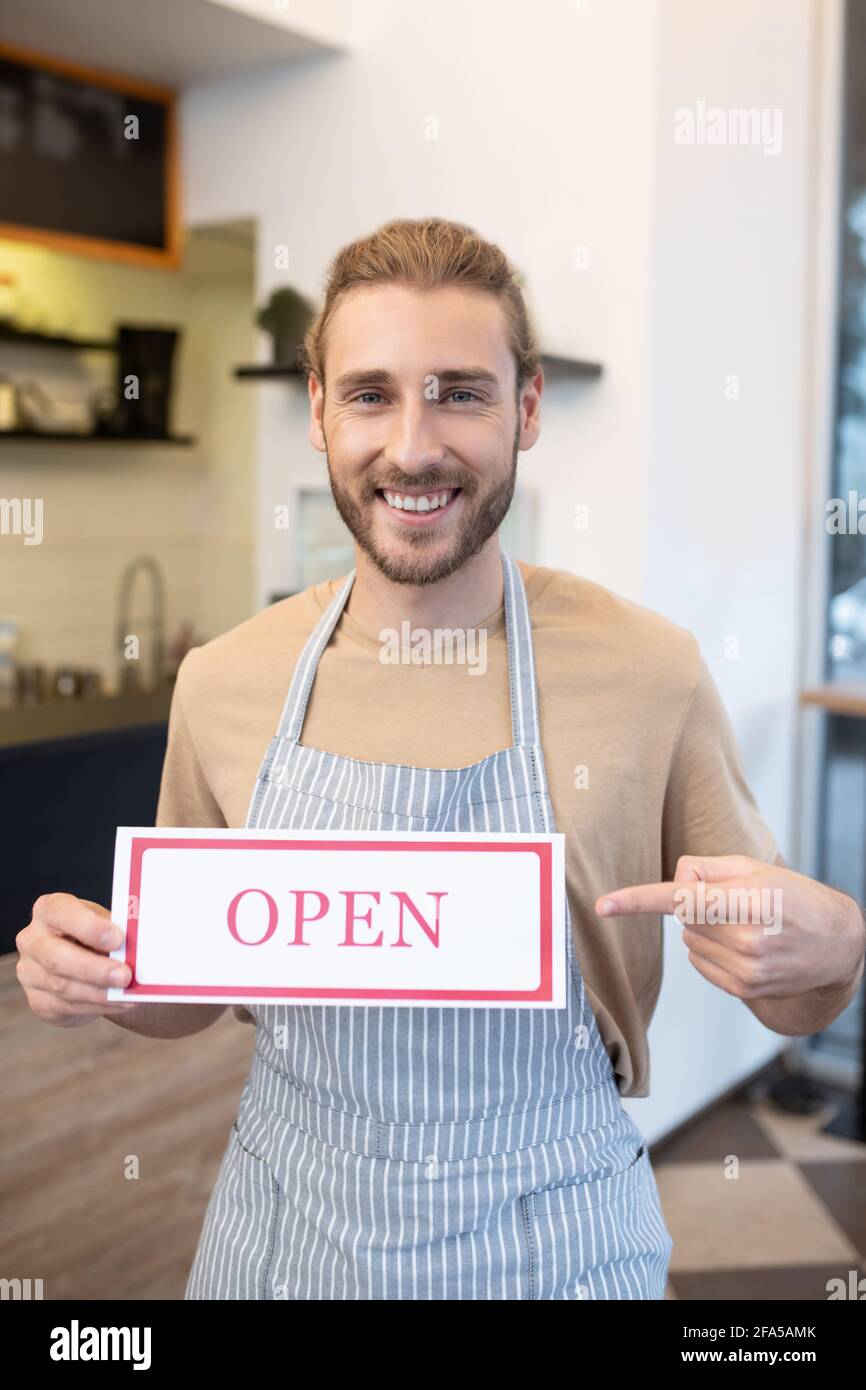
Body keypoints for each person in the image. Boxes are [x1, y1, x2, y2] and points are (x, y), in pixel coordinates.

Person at [16, 217, 866, 1302]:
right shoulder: (225, 680)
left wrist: (836, 946)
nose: (412, 446)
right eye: (370, 394)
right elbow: (187, 985)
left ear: (525, 408)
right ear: (317, 410)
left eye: (459, 392)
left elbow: (785, 990)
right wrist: (96, 974)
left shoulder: (648, 669)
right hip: (283, 1228)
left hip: (555, 1233)